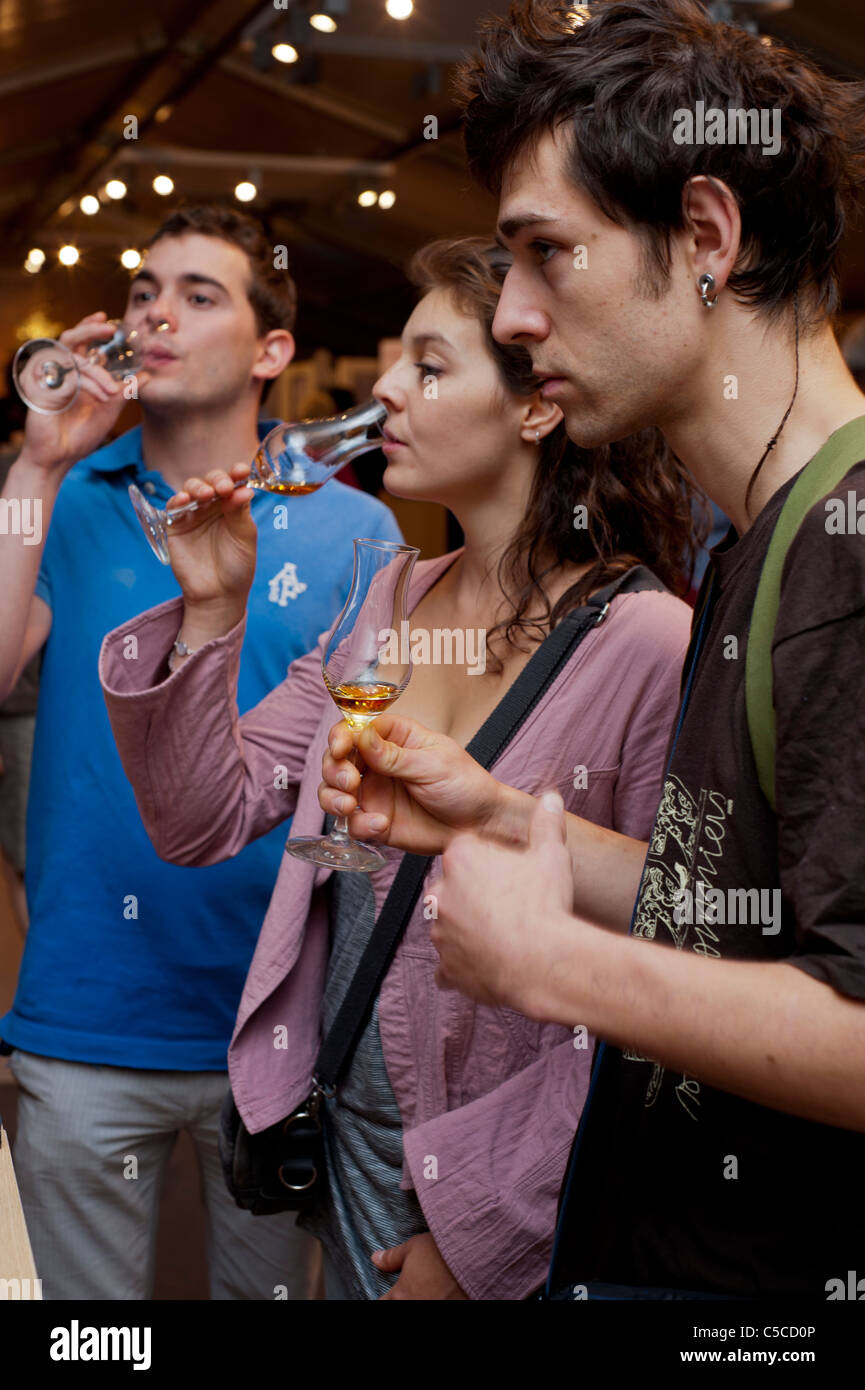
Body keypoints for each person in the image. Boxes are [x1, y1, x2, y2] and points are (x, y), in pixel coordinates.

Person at [318, 0, 865, 1300]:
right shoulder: (760, 535)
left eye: (545, 253)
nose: (510, 314)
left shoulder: (844, 549)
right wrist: (505, 818)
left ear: (706, 239)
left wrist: (555, 967)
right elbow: (741, 904)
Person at [99, 234, 699, 1299]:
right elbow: (202, 817)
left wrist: (484, 1228)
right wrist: (211, 609)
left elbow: (677, 973)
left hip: (506, 1182)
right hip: (347, 1136)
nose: (382, 388)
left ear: (535, 404)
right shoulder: (390, 602)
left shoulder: (645, 642)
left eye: (428, 366)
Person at [0, 203, 402, 1300]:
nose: (156, 315)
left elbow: (371, 783)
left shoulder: (355, 529)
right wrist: (35, 469)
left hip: (273, 1026)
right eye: (143, 294)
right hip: (85, 1013)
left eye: (198, 294)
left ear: (273, 349)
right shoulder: (65, 498)